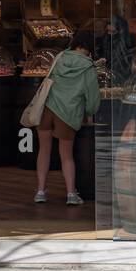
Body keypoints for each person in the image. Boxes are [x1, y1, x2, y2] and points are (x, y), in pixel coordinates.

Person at [34, 31, 100, 206]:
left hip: (47, 108)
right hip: (68, 113)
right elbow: (93, 98)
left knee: (44, 150)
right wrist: (90, 111)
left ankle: (40, 191)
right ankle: (71, 193)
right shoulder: (88, 67)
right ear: (89, 48)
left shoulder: (60, 57)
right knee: (66, 155)